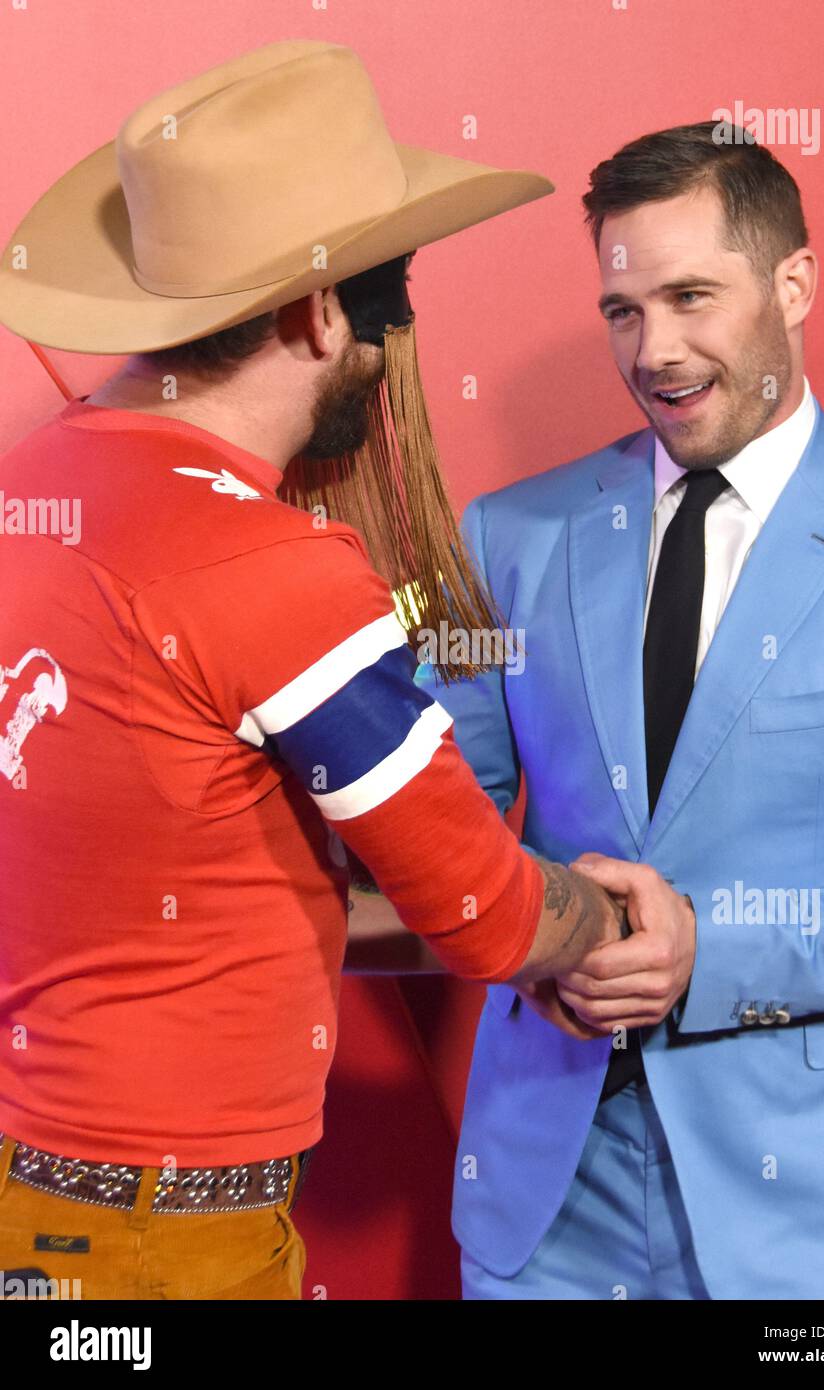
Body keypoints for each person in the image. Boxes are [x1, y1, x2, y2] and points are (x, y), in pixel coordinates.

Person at [0, 39, 624, 1302]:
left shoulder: (35, 486)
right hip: (161, 1248)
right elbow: (489, 915)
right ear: (323, 314)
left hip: (45, 1200)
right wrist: (606, 915)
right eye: (390, 314)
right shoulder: (270, 569)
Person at [415, 121, 824, 1299]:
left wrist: (710, 949)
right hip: (547, 1198)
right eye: (622, 310)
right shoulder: (515, 534)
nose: (654, 349)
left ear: (792, 283)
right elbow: (432, 826)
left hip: (808, 1230)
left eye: (690, 296)